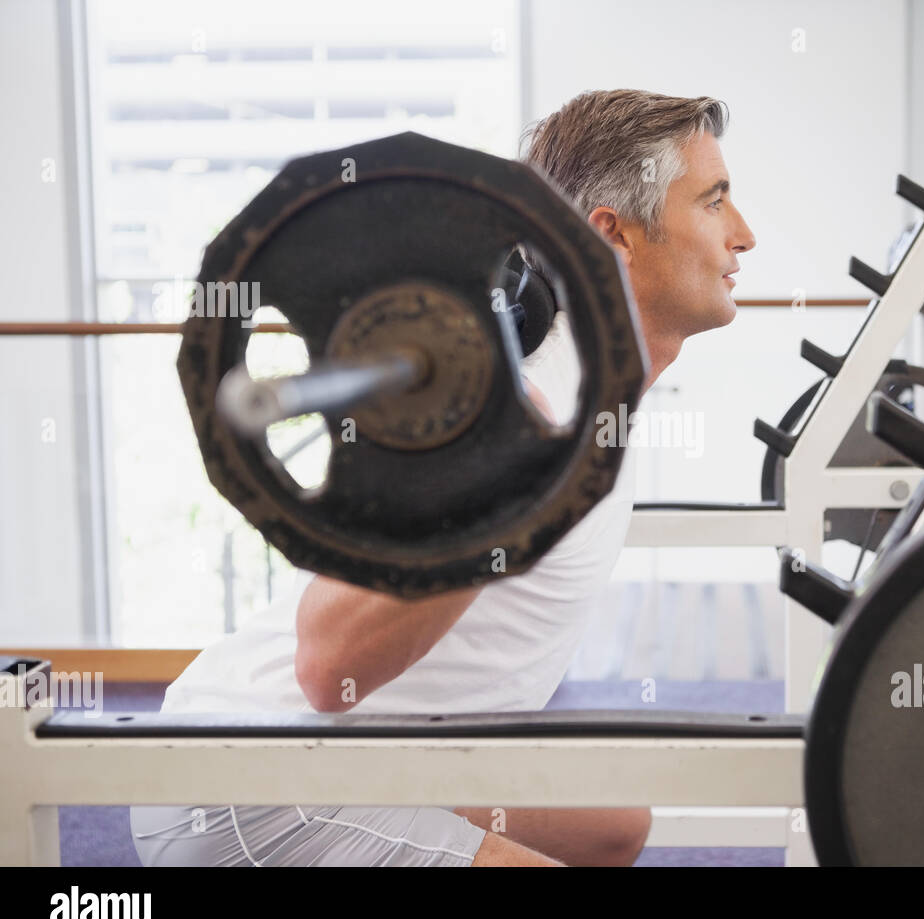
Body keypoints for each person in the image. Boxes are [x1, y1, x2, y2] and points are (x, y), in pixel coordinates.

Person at [131, 89, 757, 867]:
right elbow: (328, 669)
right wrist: (500, 486)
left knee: (612, 826)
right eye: (714, 202)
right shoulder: (531, 403)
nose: (744, 236)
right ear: (612, 236)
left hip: (357, 752)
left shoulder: (592, 392)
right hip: (252, 786)